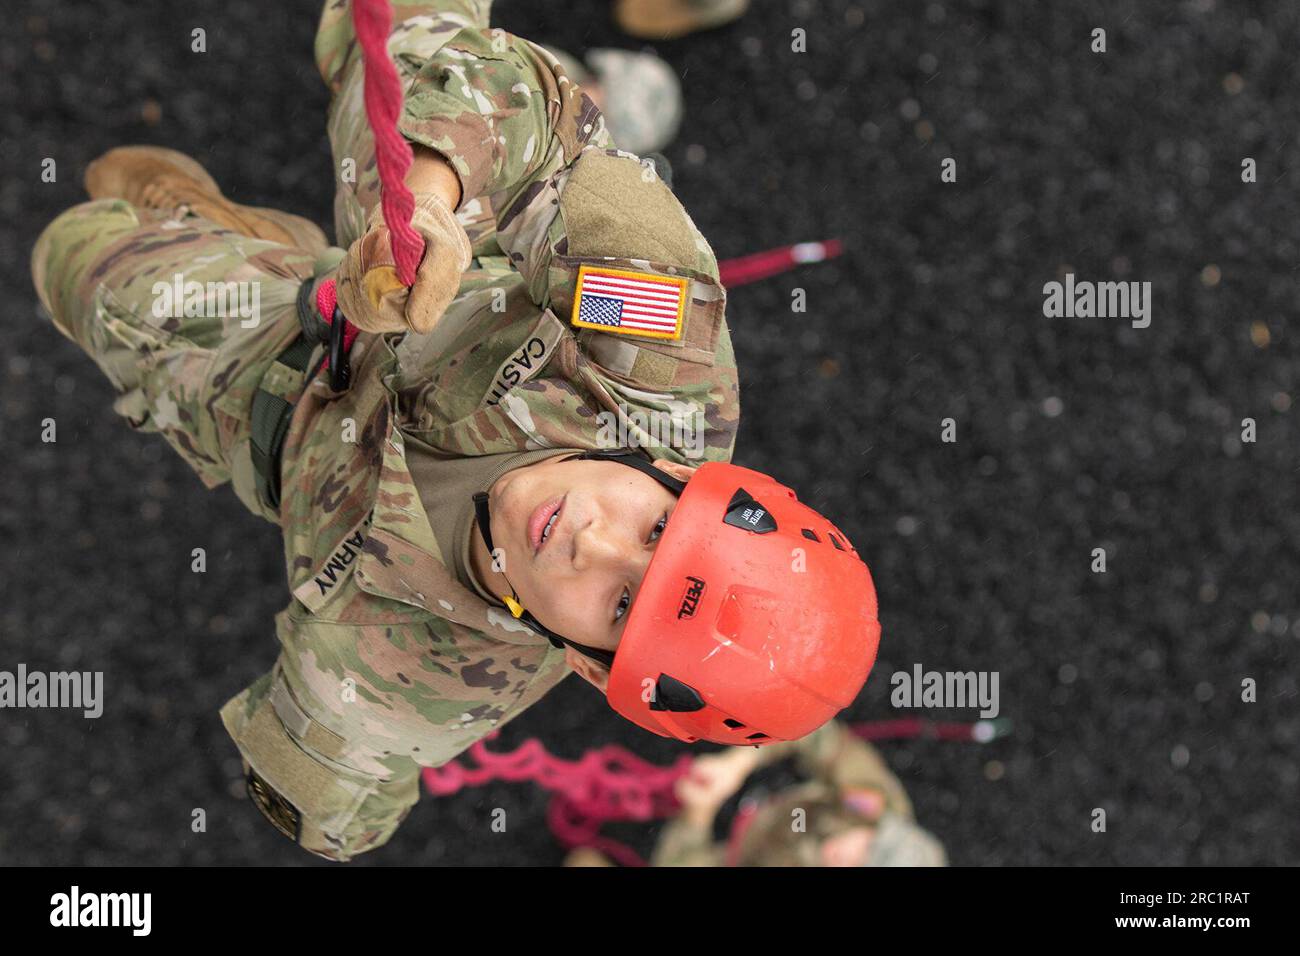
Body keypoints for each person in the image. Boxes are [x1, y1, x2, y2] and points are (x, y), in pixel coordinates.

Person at [30, 0, 878, 861]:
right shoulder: (659, 355)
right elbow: (550, 131)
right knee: (419, 43)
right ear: (670, 468)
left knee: (74, 256)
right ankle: (373, 199)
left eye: (622, 606)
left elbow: (327, 812)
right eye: (656, 527)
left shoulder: (402, 691)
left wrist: (325, 746)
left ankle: (214, 232)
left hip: (273, 398)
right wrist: (432, 202)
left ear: (586, 664)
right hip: (430, 249)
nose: (593, 542)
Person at [567, 720, 947, 867]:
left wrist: (697, 816)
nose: (844, 855)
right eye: (867, 848)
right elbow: (813, 732)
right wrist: (737, 765)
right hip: (765, 807)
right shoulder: (875, 804)